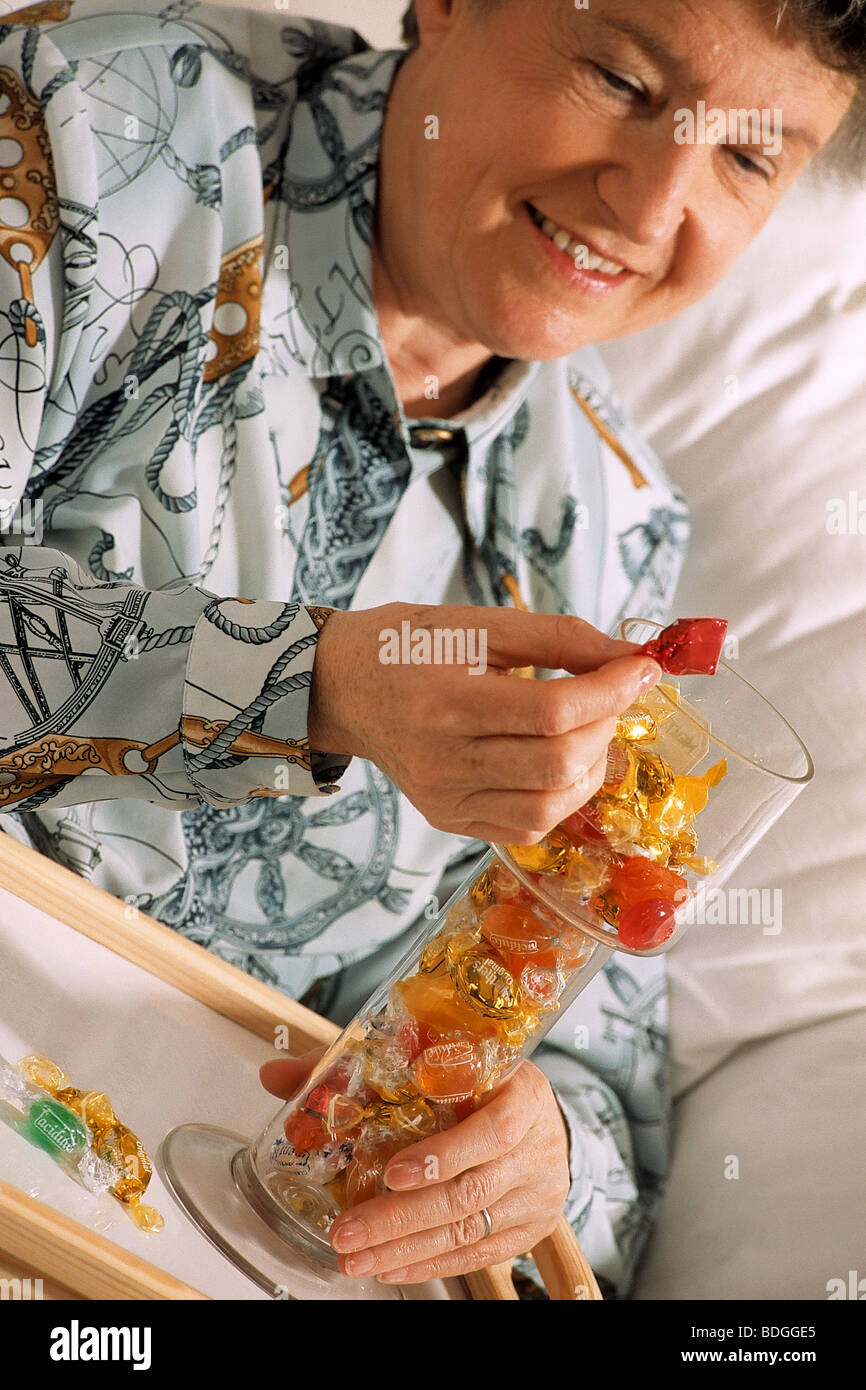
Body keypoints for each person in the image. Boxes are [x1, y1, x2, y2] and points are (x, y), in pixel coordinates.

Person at [0, 0, 859, 1295]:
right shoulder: (84, 128)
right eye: (619, 77)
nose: (646, 203)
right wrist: (308, 686)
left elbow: (599, 1067)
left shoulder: (612, 532)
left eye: (746, 157)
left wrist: (534, 1154)